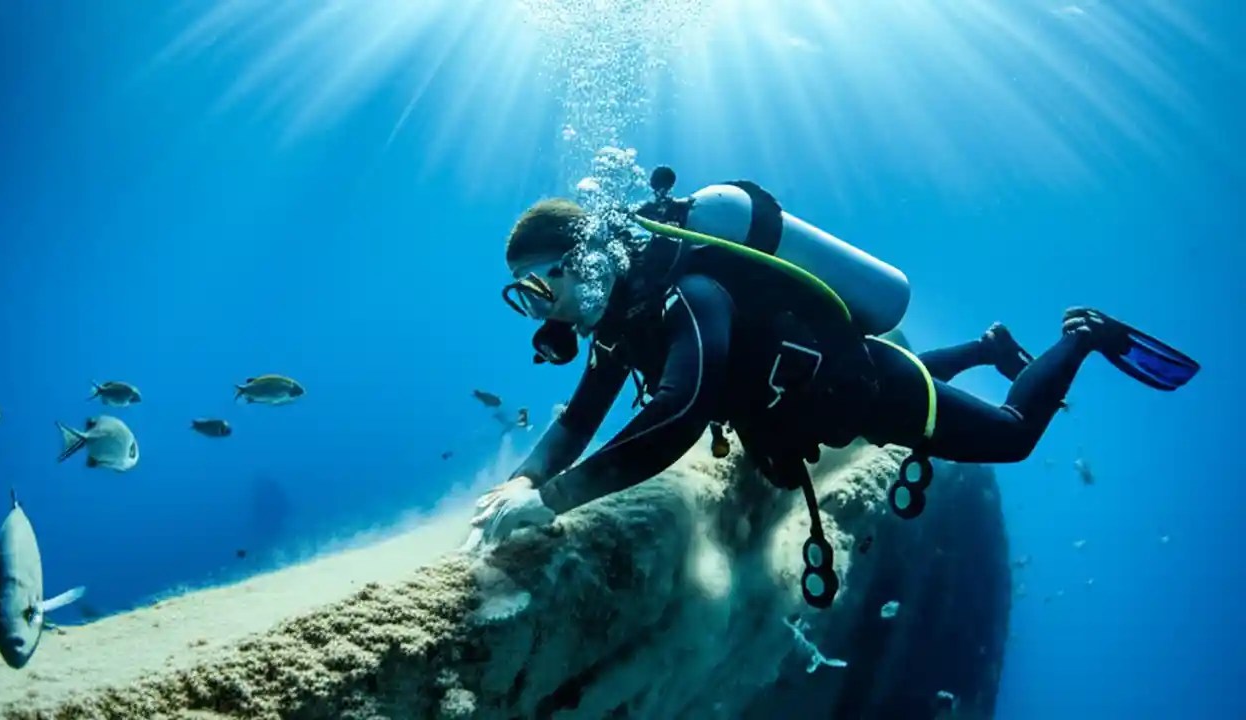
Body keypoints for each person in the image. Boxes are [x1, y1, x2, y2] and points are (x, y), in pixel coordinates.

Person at [470, 168, 1199, 608]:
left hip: (862, 385)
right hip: (809, 401)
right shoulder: (622, 325)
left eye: (536, 289)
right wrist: (525, 481)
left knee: (1007, 435)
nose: (537, 312)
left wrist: (557, 503)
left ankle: (1083, 333)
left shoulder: (687, 291)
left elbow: (682, 410)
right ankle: (987, 345)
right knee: (866, 414)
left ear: (584, 260)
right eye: (521, 299)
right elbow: (578, 420)